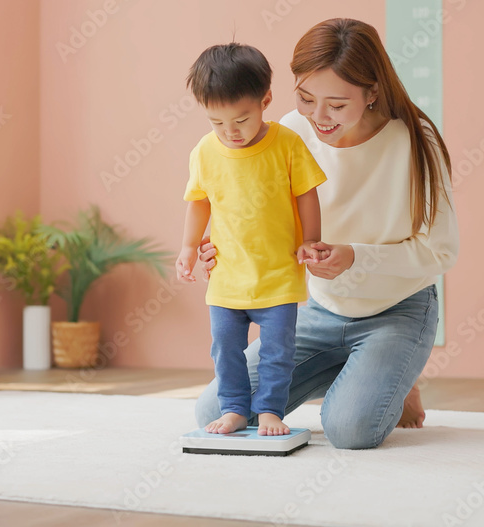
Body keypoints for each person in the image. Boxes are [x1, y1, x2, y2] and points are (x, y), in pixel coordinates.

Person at [194, 18, 459, 449]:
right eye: (305, 98)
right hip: (319, 309)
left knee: (351, 429)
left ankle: (392, 372)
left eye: (336, 104)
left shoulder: (415, 140)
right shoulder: (287, 134)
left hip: (397, 308)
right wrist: (215, 248)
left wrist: (355, 257)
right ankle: (370, 371)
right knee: (217, 411)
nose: (318, 117)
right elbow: (249, 212)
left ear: (372, 92)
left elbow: (441, 251)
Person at [176, 43, 328, 436]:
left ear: (266, 101)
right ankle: (234, 409)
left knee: (278, 351)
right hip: (227, 280)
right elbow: (199, 201)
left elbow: (306, 194)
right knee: (225, 349)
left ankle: (271, 410)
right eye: (216, 122)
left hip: (277, 277)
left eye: (241, 119)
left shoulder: (286, 144)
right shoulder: (205, 151)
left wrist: (311, 240)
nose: (230, 131)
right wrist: (188, 247)